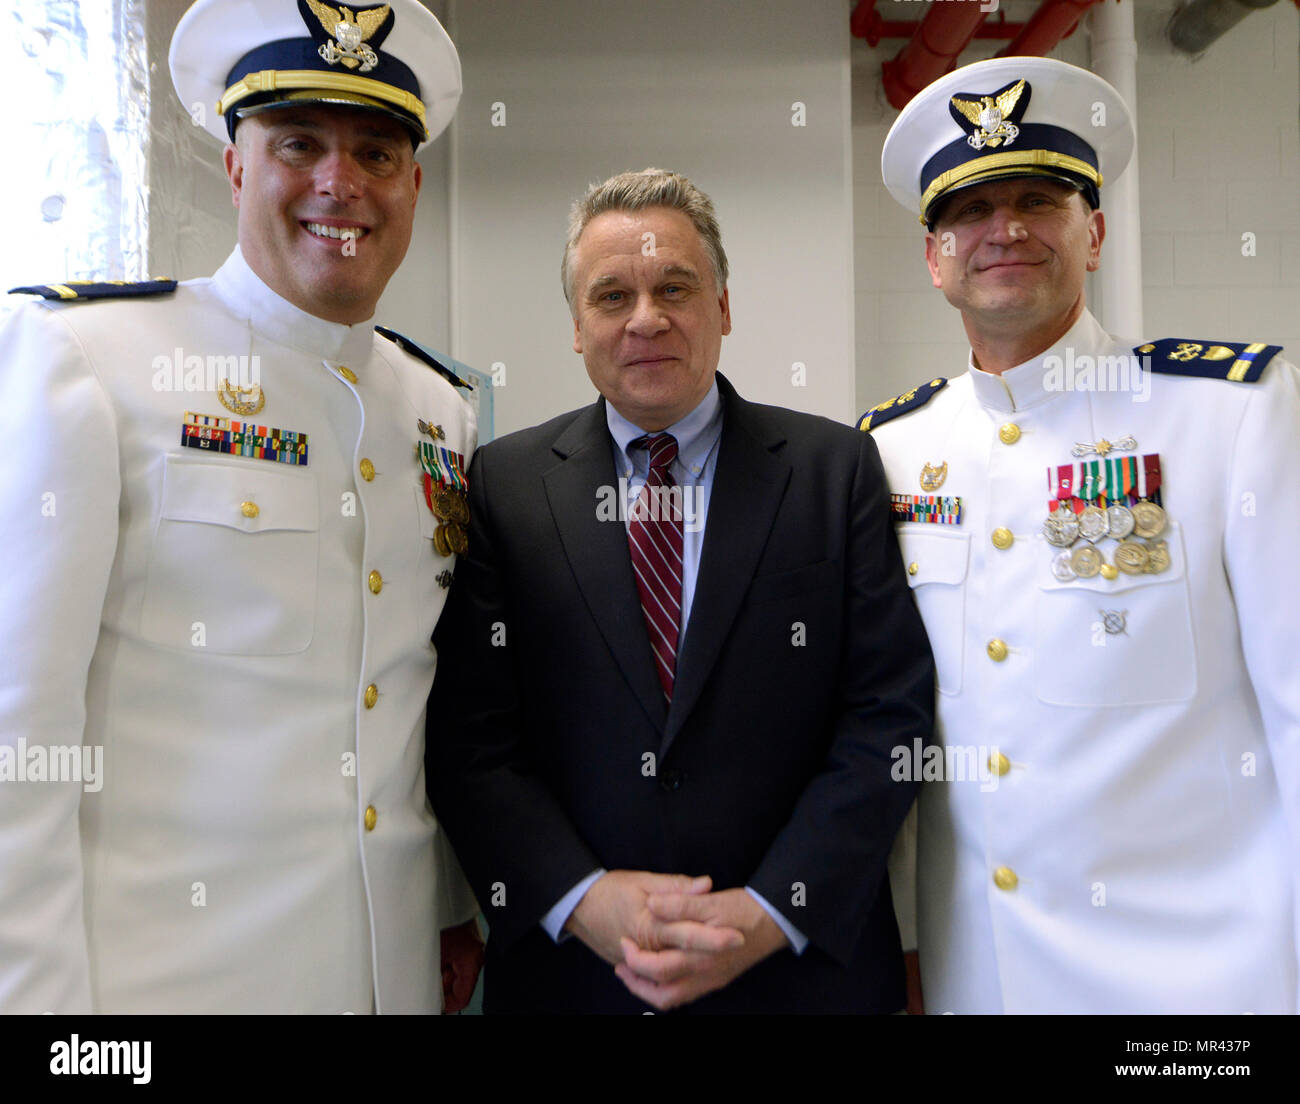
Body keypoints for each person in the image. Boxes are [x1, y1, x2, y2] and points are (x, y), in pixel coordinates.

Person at [0, 0, 483, 1013]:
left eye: (375, 152)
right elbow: (19, 737)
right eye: (297, 142)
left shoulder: (440, 412)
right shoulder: (89, 362)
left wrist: (443, 913)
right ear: (234, 167)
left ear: (414, 184)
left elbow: (412, 702)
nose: (337, 183)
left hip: (385, 981)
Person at [426, 168, 935, 1014]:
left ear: (724, 309)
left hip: (801, 976)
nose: (646, 318)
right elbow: (471, 738)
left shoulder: (833, 471)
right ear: (577, 330)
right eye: (612, 295)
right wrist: (580, 899)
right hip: (577, 977)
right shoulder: (506, 488)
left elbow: (889, 715)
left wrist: (773, 911)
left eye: (674, 287)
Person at [863, 56, 1300, 1013]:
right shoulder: (890, 451)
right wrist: (895, 940)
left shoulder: (1227, 414)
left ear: (1092, 233)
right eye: (969, 212)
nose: (1004, 230)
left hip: (1205, 983)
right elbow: (891, 722)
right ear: (933, 258)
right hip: (981, 972)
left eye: (1038, 200)